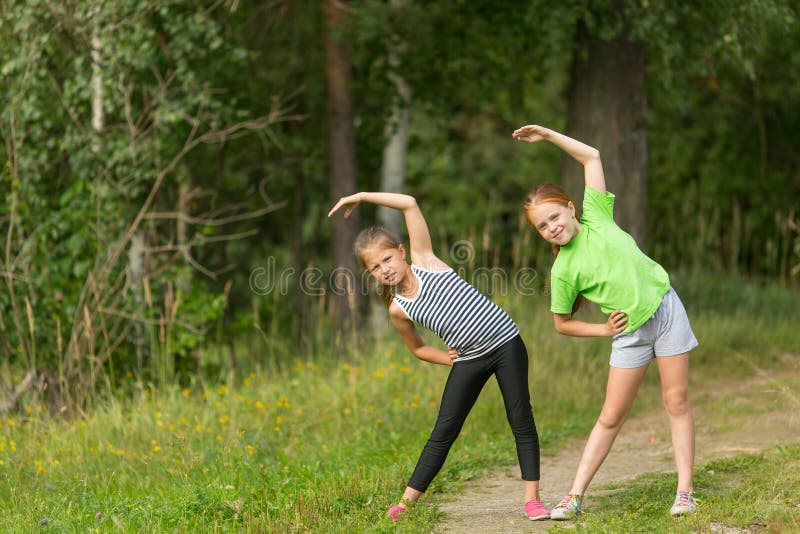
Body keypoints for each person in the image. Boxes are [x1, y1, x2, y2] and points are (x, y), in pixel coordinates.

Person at [512, 124, 699, 519]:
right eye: (542, 227)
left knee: (676, 400)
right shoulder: (563, 271)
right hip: (629, 334)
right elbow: (562, 323)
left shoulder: (597, 215)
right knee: (611, 416)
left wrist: (547, 135)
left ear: (570, 208)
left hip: (665, 311)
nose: (552, 228)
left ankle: (685, 493)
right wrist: (603, 329)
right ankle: (574, 495)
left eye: (554, 217)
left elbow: (591, 156)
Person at [328, 192, 549, 522]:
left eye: (387, 259)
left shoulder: (427, 262)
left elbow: (409, 203)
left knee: (520, 418)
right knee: (444, 429)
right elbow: (418, 348)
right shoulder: (398, 309)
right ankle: (405, 504)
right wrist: (450, 361)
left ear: (401, 252)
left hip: (505, 343)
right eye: (375, 267)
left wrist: (361, 196)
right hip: (469, 358)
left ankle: (532, 500)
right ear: (371, 274)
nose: (384, 269)